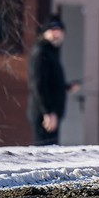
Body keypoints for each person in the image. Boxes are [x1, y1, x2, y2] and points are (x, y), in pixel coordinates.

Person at [27, 14, 78, 145]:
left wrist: (66, 87)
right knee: (44, 152)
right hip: (45, 116)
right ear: (45, 32)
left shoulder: (51, 52)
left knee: (51, 151)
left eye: (60, 30)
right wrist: (48, 112)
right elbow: (38, 85)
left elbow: (52, 83)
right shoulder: (41, 52)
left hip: (52, 113)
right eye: (53, 30)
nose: (57, 34)